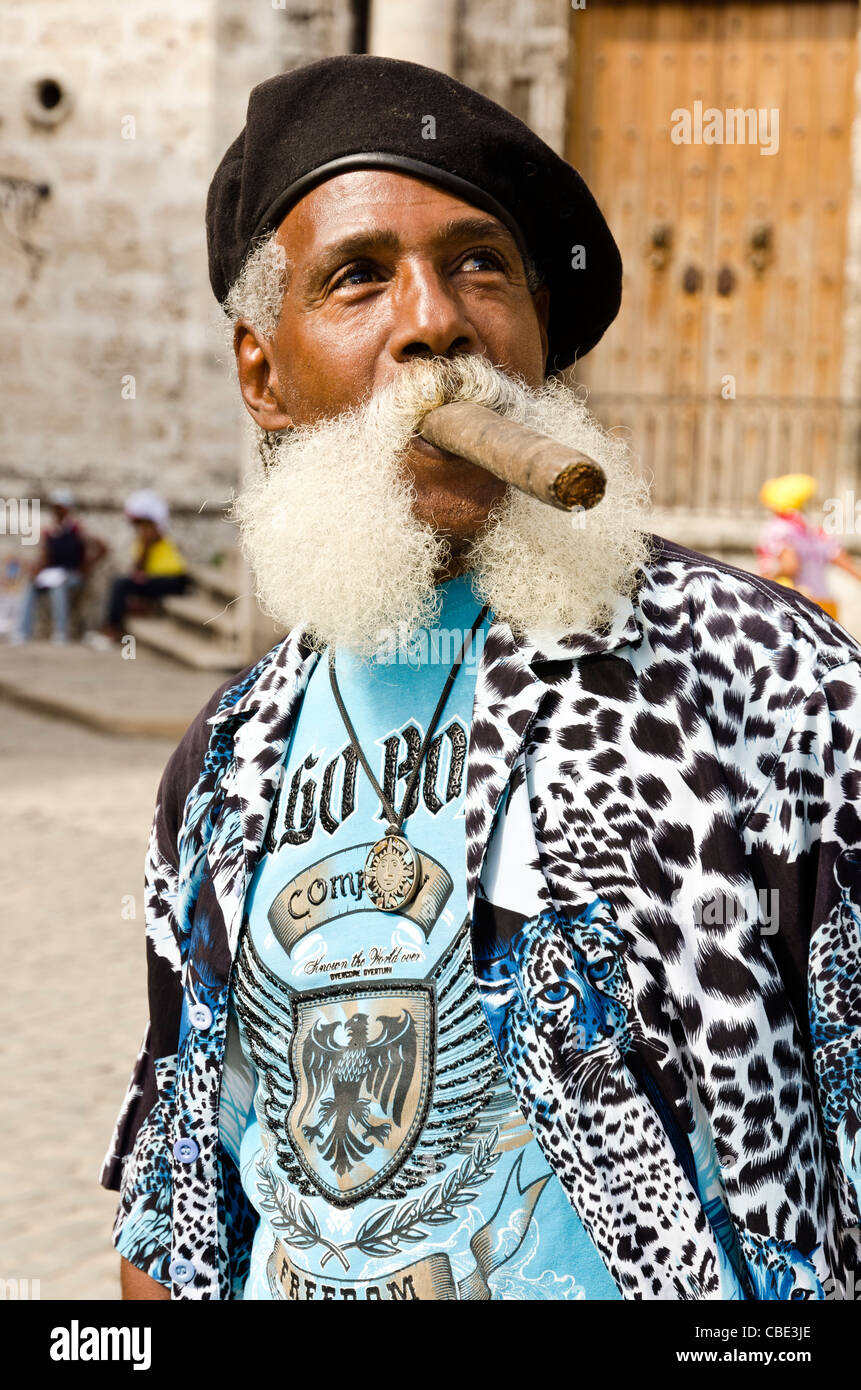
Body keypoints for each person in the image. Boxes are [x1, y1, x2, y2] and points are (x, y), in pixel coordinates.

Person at [102, 57, 861, 1302]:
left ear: (537, 343)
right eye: (359, 277)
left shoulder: (775, 687)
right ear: (263, 375)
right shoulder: (224, 762)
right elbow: (176, 1193)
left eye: (479, 266)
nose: (435, 321)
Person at [89, 490, 190, 645]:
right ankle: (111, 628)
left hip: (173, 580)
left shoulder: (153, 534)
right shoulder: (142, 538)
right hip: (160, 579)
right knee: (122, 583)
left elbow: (141, 563)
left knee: (120, 584)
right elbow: (138, 566)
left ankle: (113, 629)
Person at [757, 473, 861, 621]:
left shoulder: (780, 529)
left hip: (800, 604)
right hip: (827, 605)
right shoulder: (815, 531)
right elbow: (846, 563)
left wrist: (768, 574)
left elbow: (791, 566)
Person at [12, 488, 105, 645]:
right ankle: (23, 631)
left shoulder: (78, 530)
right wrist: (36, 569)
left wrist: (86, 568)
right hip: (52, 573)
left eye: (60, 507)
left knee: (59, 585)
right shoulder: (49, 531)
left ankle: (61, 632)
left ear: (68, 508)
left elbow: (102, 547)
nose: (57, 511)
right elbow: (45, 556)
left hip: (72, 574)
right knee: (31, 584)